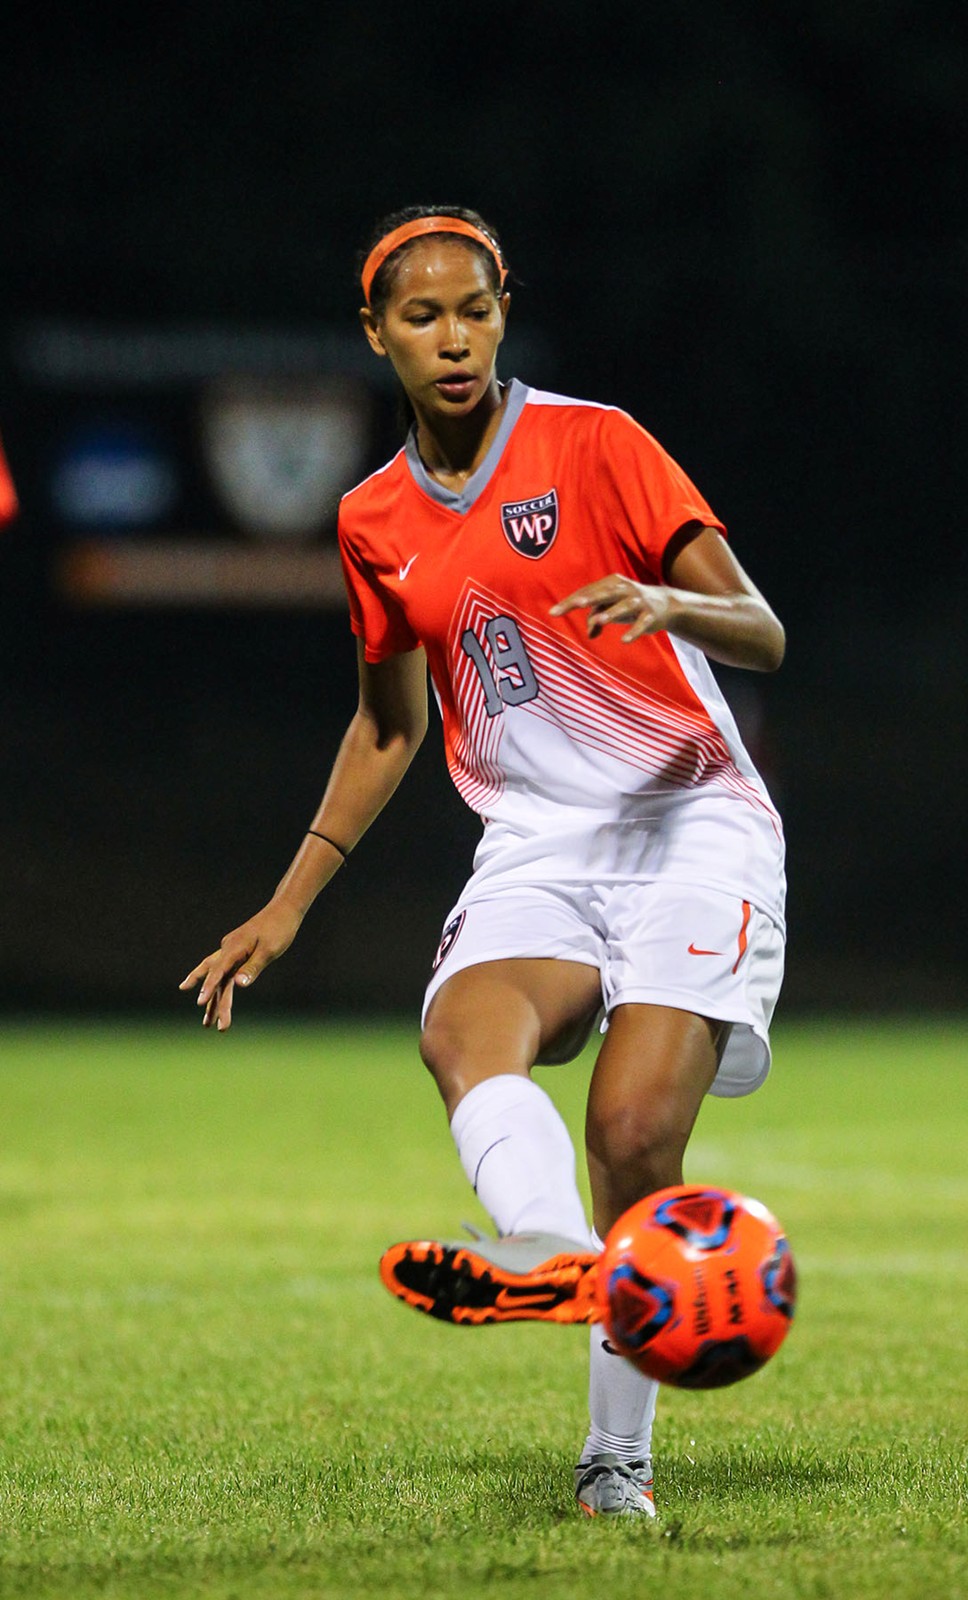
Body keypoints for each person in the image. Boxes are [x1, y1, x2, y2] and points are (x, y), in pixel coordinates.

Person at [181, 206, 787, 1520]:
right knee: (461, 1029)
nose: (452, 340)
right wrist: (288, 903)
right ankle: (554, 1257)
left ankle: (613, 1465)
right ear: (375, 335)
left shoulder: (596, 443)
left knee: (633, 1132)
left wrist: (675, 602)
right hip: (537, 840)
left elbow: (763, 631)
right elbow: (390, 722)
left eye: (473, 310)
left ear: (503, 312)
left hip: (689, 820)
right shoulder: (373, 517)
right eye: (421, 317)